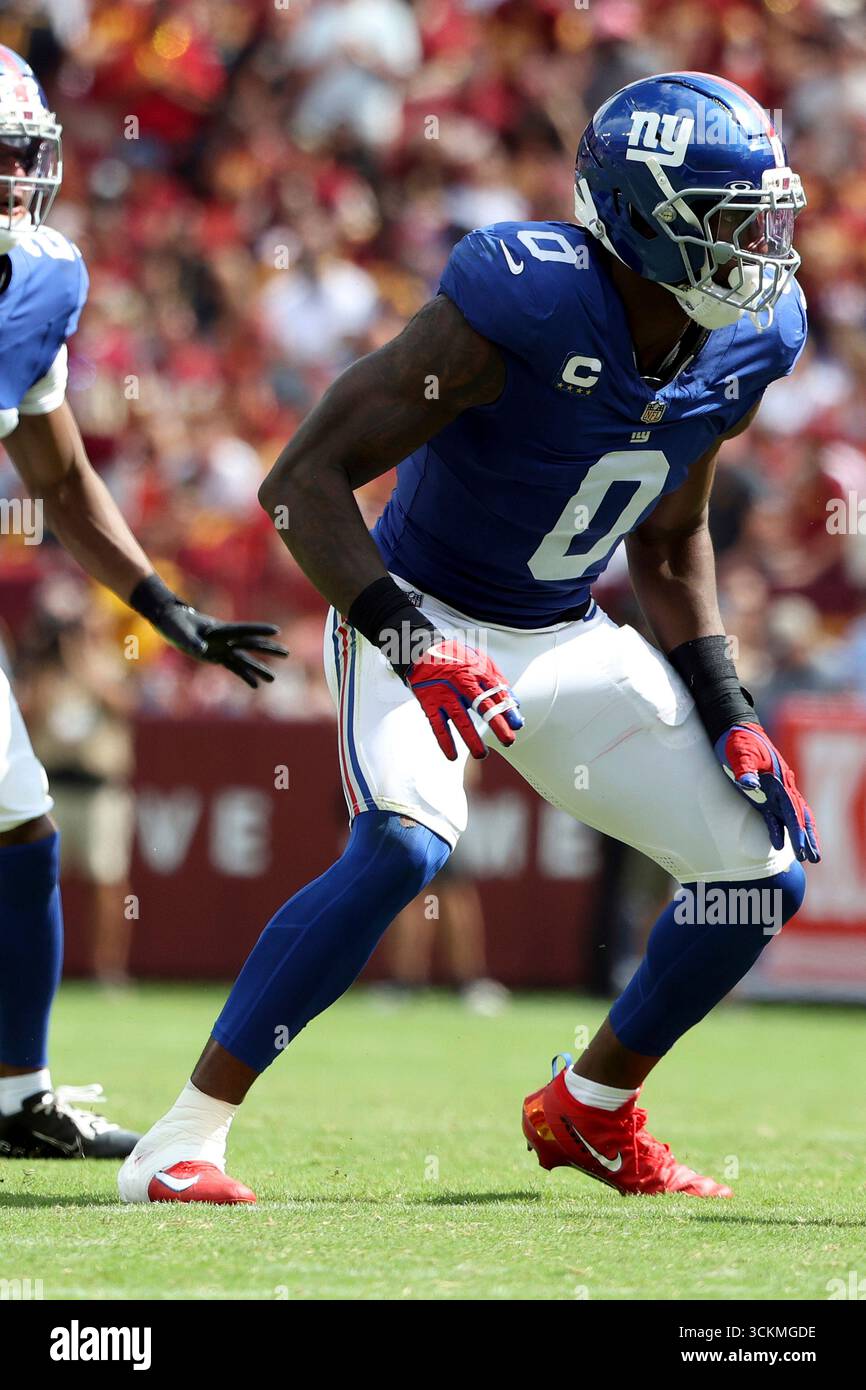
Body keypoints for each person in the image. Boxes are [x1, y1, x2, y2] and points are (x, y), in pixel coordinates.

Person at [119, 72, 819, 1205]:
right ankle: (182, 1136)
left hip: (564, 633)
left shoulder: (748, 339)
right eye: (732, 217)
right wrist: (407, 637)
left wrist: (728, 710)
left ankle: (589, 1109)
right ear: (647, 215)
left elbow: (671, 540)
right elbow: (300, 482)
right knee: (404, 843)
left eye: (767, 215)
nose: (761, 245)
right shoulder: (527, 303)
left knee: (758, 871)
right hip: (426, 608)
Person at [0, 46, 285, 1161]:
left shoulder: (40, 276)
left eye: (18, 159)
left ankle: (17, 1096)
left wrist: (159, 604)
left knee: (21, 826)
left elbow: (60, 474)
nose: (12, 185)